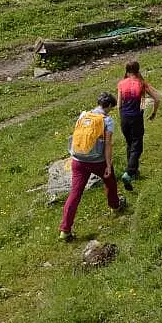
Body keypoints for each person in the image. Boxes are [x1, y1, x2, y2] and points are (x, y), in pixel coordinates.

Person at [59, 91, 125, 242]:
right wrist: (108, 164)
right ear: (108, 105)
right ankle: (115, 206)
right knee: (110, 182)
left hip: (78, 160)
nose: (110, 110)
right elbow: (108, 144)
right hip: (97, 161)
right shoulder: (107, 120)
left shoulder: (83, 115)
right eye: (111, 107)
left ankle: (65, 230)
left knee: (75, 194)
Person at [116, 60, 161, 190]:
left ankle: (134, 172)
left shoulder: (121, 84)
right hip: (136, 118)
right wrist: (154, 113)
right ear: (138, 69)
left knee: (130, 144)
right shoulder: (141, 83)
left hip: (124, 118)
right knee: (137, 146)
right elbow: (157, 99)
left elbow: (119, 104)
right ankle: (129, 172)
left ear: (126, 70)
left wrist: (121, 118)